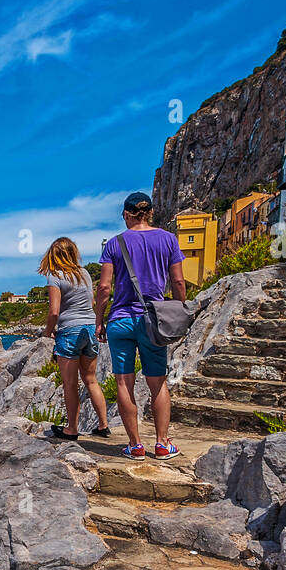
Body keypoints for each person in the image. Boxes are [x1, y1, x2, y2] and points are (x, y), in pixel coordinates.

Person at [95, 191, 186, 460]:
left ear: (126, 215)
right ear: (151, 213)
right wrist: (180, 311)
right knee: (157, 382)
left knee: (124, 382)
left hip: (121, 320)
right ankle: (161, 444)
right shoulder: (168, 240)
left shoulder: (114, 244)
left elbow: (103, 288)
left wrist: (99, 320)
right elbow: (178, 282)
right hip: (153, 321)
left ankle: (134, 445)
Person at [38, 236, 110, 441]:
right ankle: (103, 426)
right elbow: (93, 302)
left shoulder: (55, 276)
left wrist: (48, 332)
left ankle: (72, 429)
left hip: (70, 330)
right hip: (89, 328)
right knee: (91, 379)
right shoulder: (85, 274)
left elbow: (54, 312)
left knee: (70, 384)